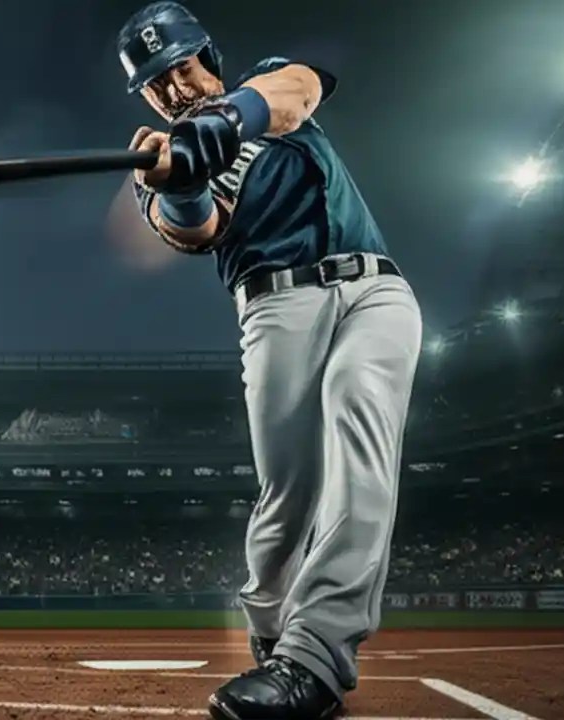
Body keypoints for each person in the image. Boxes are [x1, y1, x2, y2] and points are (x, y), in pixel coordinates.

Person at [116, 3, 423, 718]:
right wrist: (182, 181)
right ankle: (271, 627)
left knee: (358, 413)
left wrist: (224, 124)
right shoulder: (153, 161)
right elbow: (195, 235)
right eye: (158, 84)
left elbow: (299, 92)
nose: (176, 88)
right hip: (274, 307)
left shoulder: (262, 87)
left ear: (209, 56)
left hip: (374, 287)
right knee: (287, 494)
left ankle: (314, 658)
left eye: (184, 67)